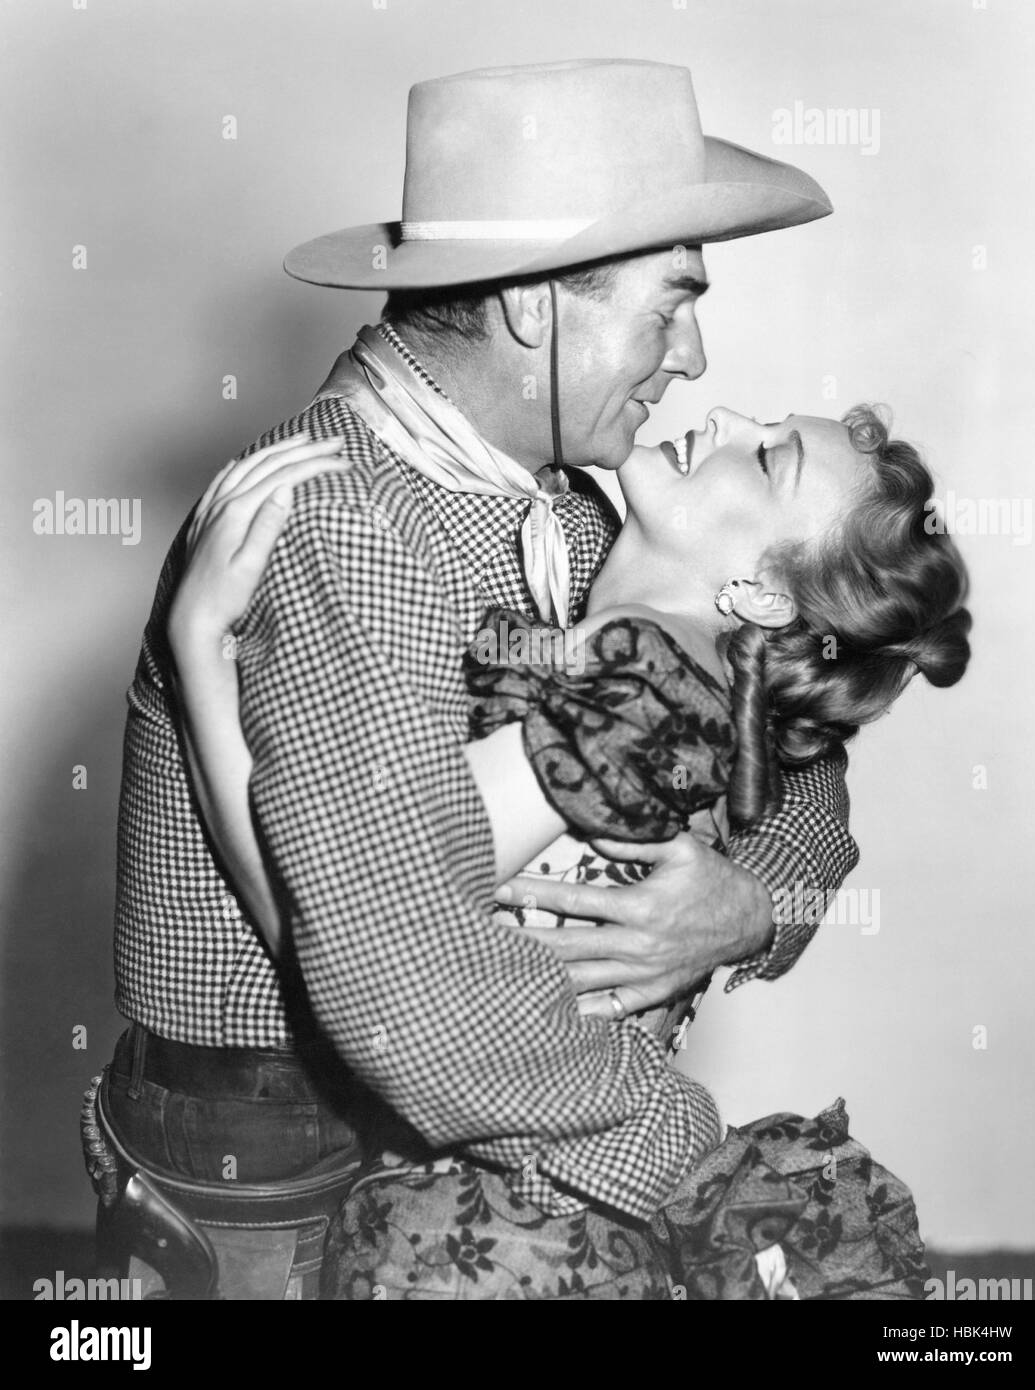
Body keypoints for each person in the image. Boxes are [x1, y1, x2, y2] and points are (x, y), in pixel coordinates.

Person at [100, 59, 861, 1298]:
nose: (698, 352)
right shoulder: (341, 524)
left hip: (496, 1161)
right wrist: (706, 1169)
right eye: (669, 303)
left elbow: (805, 763)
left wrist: (750, 907)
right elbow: (403, 983)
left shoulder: (577, 510)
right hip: (289, 1165)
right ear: (532, 306)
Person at [169, 399, 970, 1299]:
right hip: (553, 1218)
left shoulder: (646, 695)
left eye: (766, 458)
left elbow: (338, 904)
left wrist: (198, 647)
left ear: (764, 594)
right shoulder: (682, 673)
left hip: (494, 1249)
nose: (727, 414)